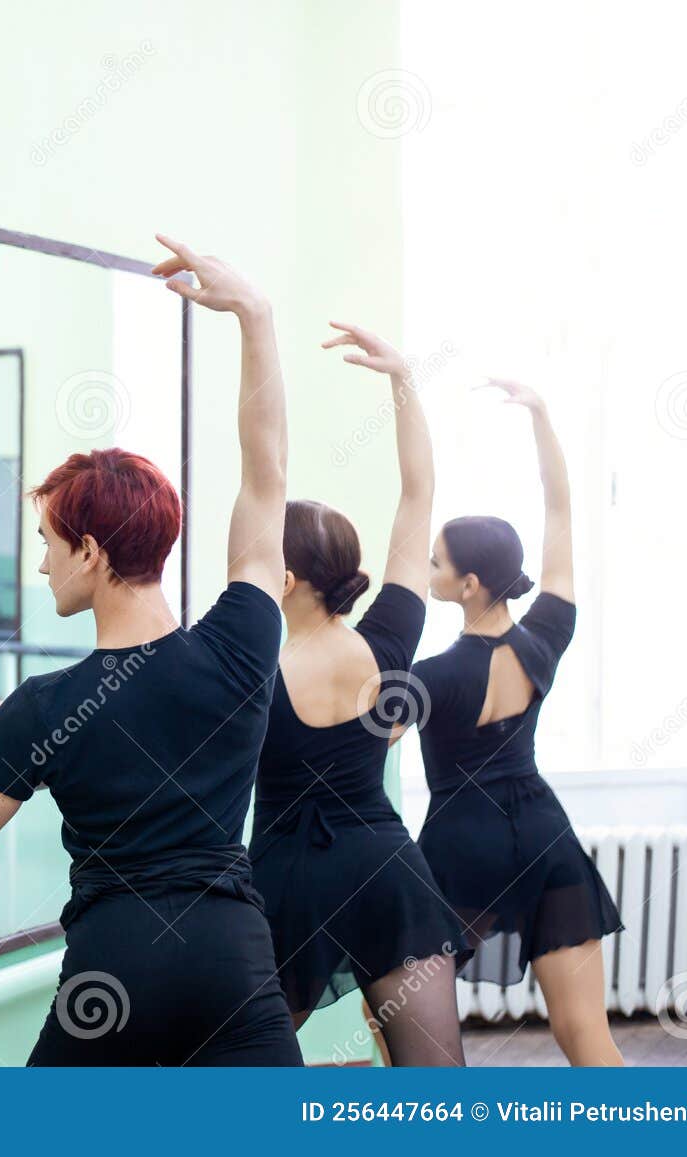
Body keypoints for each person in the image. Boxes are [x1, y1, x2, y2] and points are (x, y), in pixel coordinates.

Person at [0, 238, 303, 1066]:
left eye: (47, 541)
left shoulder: (47, 704)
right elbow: (266, 474)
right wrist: (256, 317)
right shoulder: (240, 645)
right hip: (231, 958)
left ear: (89, 551)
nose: (40, 560)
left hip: (114, 971)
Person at [248, 322, 469, 1066]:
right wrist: (403, 378)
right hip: (383, 869)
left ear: (282, 579)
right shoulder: (390, 637)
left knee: (233, 1080)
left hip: (284, 886)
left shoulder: (250, 671)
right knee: (438, 1091)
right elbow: (418, 493)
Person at [404, 378, 623, 1066]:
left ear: (468, 584)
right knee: (587, 1034)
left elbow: (349, 747)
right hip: (542, 837)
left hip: (457, 853)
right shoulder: (547, 634)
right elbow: (560, 512)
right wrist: (543, 416)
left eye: (435, 562)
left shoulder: (430, 678)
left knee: (412, 1036)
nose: (427, 568)